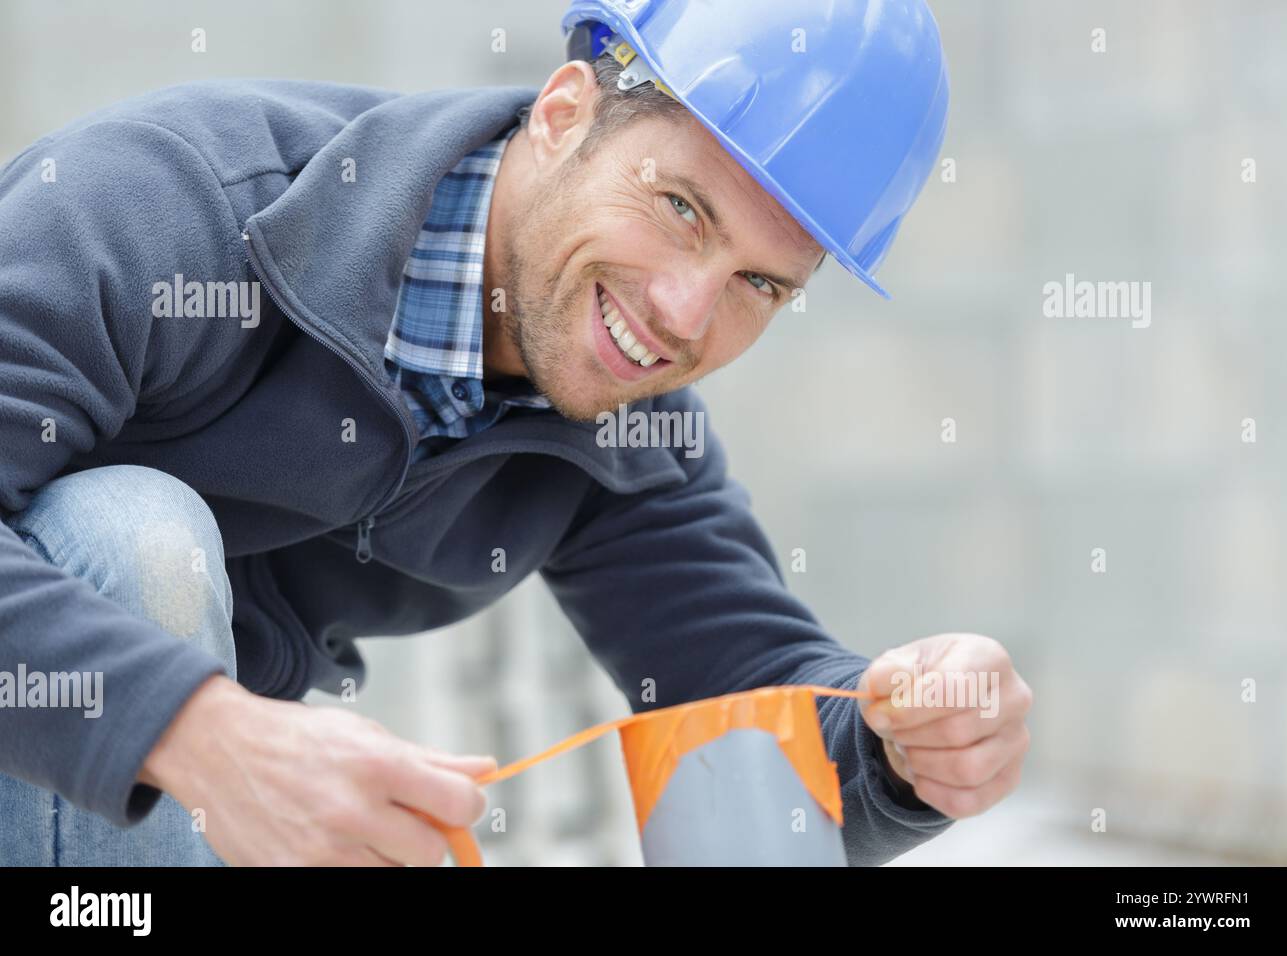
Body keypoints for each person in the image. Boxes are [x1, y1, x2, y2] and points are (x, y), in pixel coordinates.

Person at [0, 0, 1031, 866]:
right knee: (132, 530)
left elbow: (758, 728)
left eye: (757, 283)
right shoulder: (170, 209)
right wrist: (204, 733)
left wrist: (907, 741)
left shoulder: (623, 423)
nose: (681, 313)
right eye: (680, 207)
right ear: (562, 110)